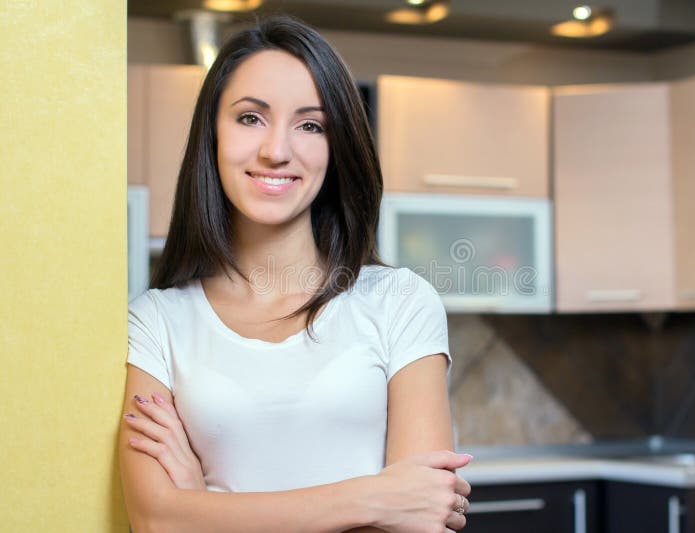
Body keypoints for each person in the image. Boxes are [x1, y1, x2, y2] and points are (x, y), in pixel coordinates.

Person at [119, 14, 472, 533]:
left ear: (336, 147)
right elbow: (156, 521)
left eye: (310, 125)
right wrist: (375, 499)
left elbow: (424, 517)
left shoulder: (400, 301)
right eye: (250, 118)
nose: (276, 151)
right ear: (211, 134)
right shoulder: (155, 323)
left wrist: (203, 506)